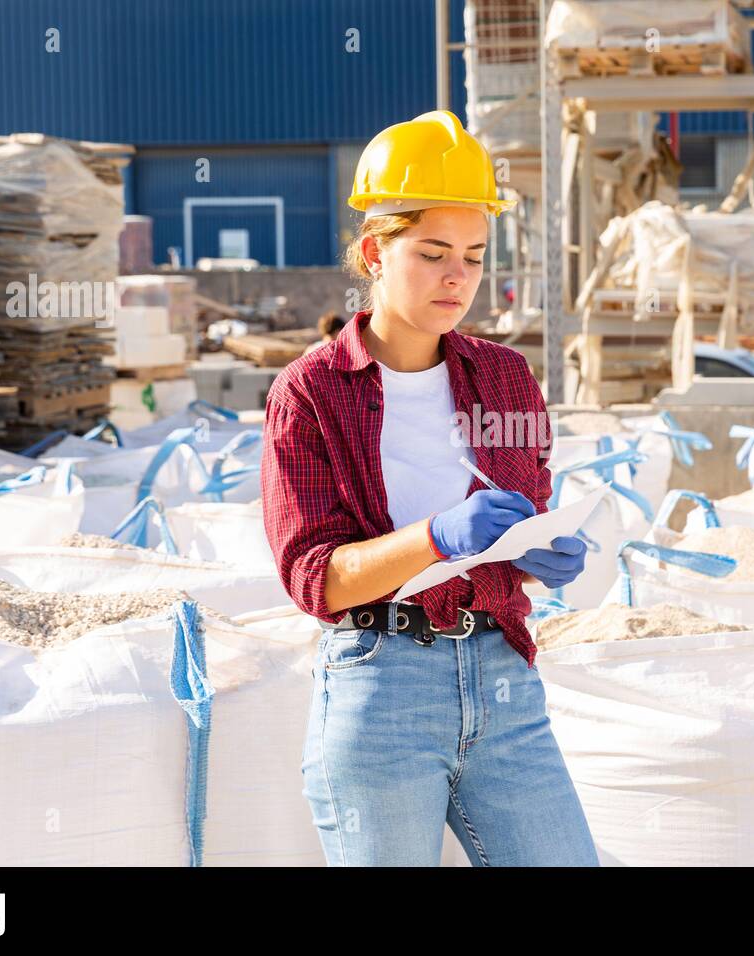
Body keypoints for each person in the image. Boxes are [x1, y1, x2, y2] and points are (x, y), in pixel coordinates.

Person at [260, 109, 598, 867]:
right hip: (382, 688)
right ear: (376, 252)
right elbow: (315, 579)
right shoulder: (310, 392)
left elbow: (517, 518)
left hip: (503, 679)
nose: (459, 277)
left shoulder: (505, 377)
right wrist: (439, 536)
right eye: (434, 252)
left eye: (475, 257)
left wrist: (537, 551)